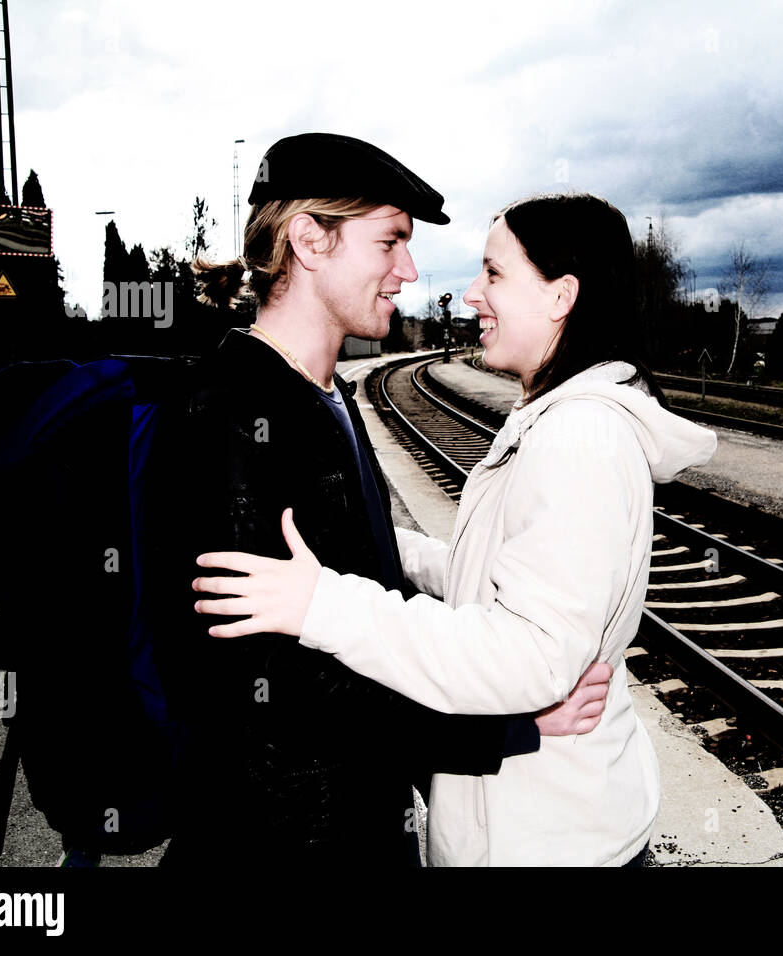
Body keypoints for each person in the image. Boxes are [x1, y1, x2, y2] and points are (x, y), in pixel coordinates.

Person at [192, 193, 719, 866]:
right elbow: (506, 566)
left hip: (543, 840)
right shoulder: (559, 418)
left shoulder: (581, 436)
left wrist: (326, 603)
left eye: (494, 274)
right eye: (391, 243)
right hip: (529, 820)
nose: (471, 294)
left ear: (561, 297)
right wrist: (386, 548)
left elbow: (531, 655)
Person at [146, 135, 610, 868]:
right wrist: (510, 723)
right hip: (277, 846)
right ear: (309, 239)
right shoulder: (230, 417)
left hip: (355, 827)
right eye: (390, 241)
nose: (410, 270)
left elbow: (365, 590)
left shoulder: (326, 399)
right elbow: (270, 689)